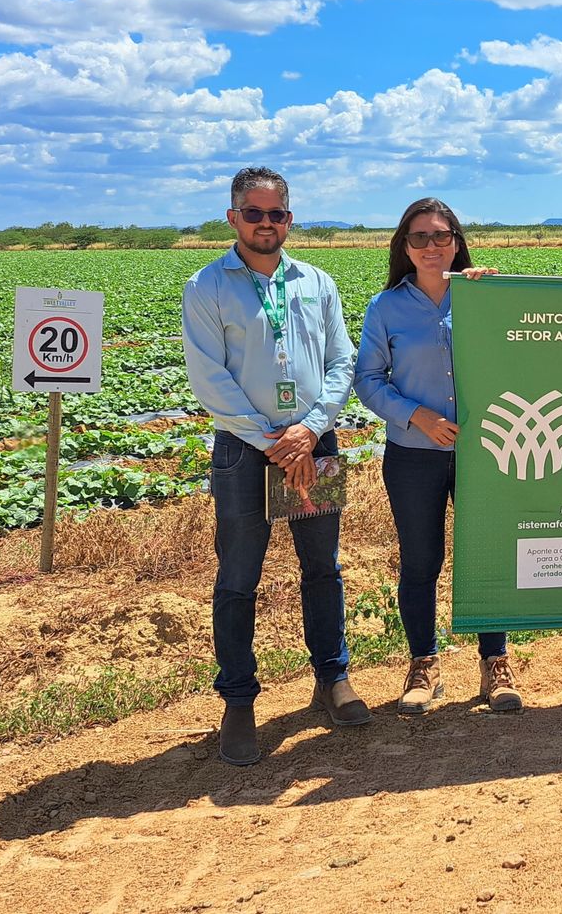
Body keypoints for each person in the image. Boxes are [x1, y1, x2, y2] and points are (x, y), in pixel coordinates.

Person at [182, 166, 369, 767]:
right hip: (244, 450)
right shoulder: (207, 286)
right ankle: (238, 702)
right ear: (232, 216)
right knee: (239, 577)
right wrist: (271, 441)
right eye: (254, 213)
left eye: (277, 214)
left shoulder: (317, 282)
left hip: (315, 446)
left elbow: (342, 363)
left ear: (291, 219)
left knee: (322, 567)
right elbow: (209, 378)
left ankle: (332, 680)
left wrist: (309, 431)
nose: (267, 224)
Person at [353, 198, 523, 714]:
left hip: (484, 454)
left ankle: (495, 662)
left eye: (441, 236)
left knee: (487, 556)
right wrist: (415, 414)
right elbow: (367, 380)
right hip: (413, 454)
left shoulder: (483, 294)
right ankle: (424, 663)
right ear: (404, 245)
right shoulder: (386, 307)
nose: (432, 246)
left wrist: (497, 297)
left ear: (458, 240)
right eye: (420, 237)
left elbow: (521, 352)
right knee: (420, 562)